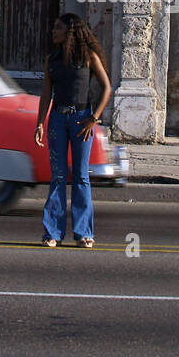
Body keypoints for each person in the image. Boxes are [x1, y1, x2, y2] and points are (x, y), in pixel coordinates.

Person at [34, 13, 112, 248]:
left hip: (81, 120)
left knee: (80, 176)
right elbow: (47, 93)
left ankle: (84, 233)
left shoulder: (88, 57)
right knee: (57, 176)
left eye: (58, 28)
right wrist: (40, 122)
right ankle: (52, 233)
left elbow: (106, 87)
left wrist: (94, 118)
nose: (53, 32)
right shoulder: (52, 60)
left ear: (70, 32)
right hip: (58, 118)